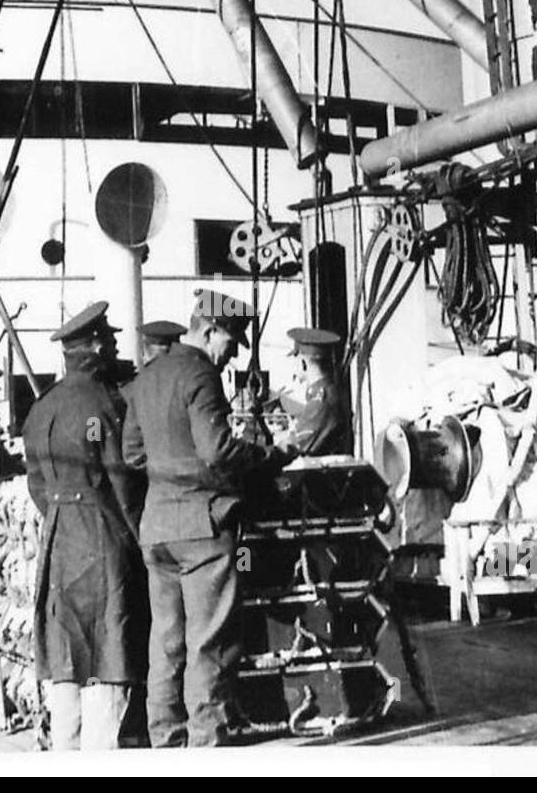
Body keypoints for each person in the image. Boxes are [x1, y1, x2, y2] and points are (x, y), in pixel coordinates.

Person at [122, 289, 294, 747]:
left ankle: (167, 740)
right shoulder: (200, 374)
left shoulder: (148, 376)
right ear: (208, 330)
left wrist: (172, 473)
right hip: (203, 529)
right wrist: (268, 456)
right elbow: (217, 449)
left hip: (156, 529)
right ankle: (206, 748)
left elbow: (132, 454)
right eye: (231, 340)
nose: (233, 351)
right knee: (210, 644)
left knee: (166, 642)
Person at [22, 302, 147, 751]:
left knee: (67, 667)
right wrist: (141, 540)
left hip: (57, 542)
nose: (114, 347)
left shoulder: (41, 409)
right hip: (100, 539)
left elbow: (37, 483)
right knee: (108, 661)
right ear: (94, 347)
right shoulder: (102, 403)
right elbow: (122, 479)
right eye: (109, 341)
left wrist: (63, 509)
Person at [275, 327, 354, 456]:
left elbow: (296, 448)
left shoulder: (322, 400)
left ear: (303, 363)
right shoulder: (330, 392)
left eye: (294, 358)